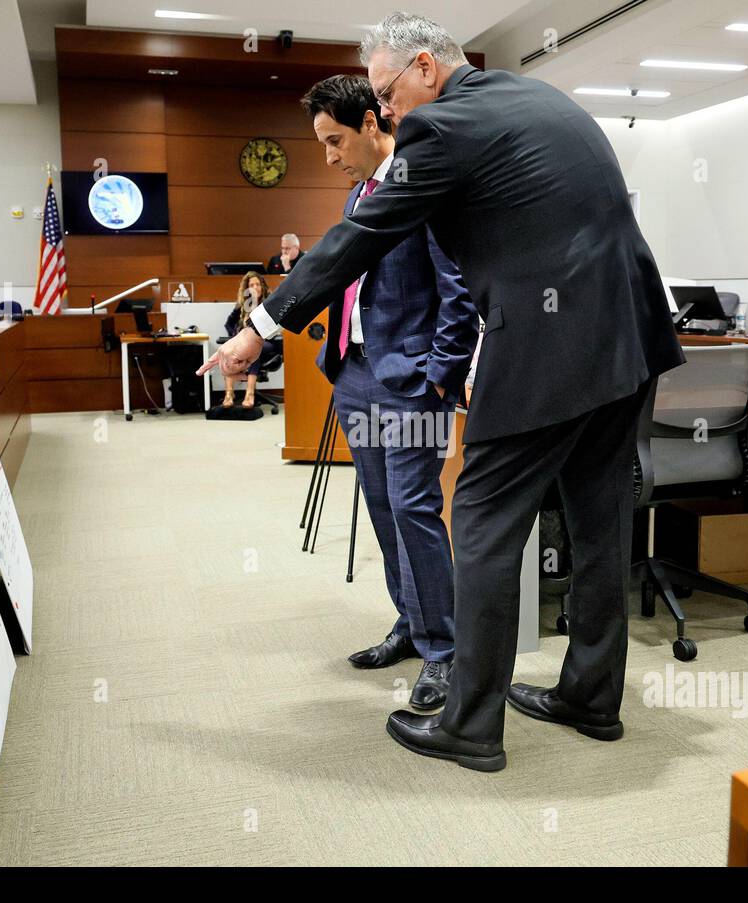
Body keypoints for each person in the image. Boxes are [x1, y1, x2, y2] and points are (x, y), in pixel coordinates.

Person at [200, 12, 683, 773]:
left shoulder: (443, 129)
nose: (386, 113)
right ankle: (591, 696)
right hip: (630, 340)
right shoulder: (541, 98)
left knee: (484, 525)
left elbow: (360, 239)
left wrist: (259, 326)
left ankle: (469, 724)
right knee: (598, 526)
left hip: (547, 350)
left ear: (426, 67)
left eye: (388, 93)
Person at [301, 74, 479, 709]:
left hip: (410, 381)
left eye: (335, 141)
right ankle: (411, 622)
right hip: (352, 372)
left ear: (372, 124)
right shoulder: (359, 198)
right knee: (381, 504)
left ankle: (444, 651)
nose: (330, 157)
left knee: (413, 508)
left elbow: (458, 291)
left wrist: (441, 372)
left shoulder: (422, 185)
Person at [222, 271, 280, 409]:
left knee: (254, 347)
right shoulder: (243, 304)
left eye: (257, 284)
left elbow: (274, 327)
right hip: (245, 343)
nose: (255, 287)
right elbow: (228, 324)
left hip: (268, 343)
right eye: (251, 285)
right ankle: (229, 394)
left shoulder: (269, 303)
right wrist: (234, 337)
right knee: (232, 350)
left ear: (263, 286)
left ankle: (250, 394)